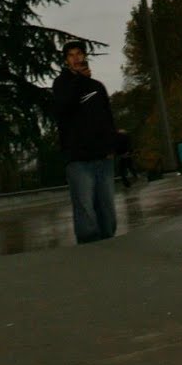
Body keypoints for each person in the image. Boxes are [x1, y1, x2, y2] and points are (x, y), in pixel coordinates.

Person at [51, 42, 118, 244]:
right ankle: (89, 248)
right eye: (71, 55)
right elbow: (63, 108)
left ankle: (109, 243)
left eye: (79, 54)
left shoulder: (97, 87)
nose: (76, 58)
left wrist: (111, 146)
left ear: (85, 56)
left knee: (107, 208)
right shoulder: (61, 85)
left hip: (102, 156)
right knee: (85, 208)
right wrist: (79, 80)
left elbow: (107, 118)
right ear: (66, 60)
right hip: (78, 159)